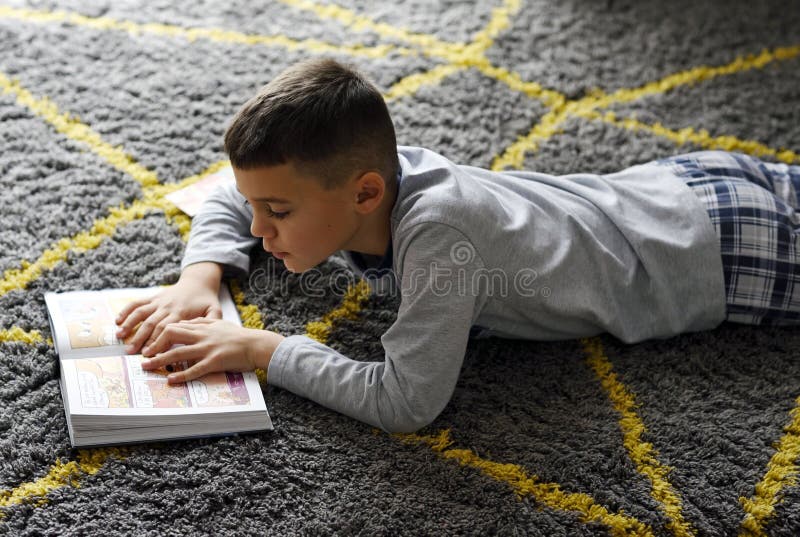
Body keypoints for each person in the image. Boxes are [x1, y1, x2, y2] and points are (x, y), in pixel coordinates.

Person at [114, 58, 800, 433]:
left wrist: (265, 349)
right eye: (261, 211)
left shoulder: (439, 243)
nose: (260, 229)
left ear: (364, 195)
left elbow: (406, 402)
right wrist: (202, 276)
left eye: (279, 213)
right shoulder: (369, 171)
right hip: (675, 189)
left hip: (717, 255)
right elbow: (235, 193)